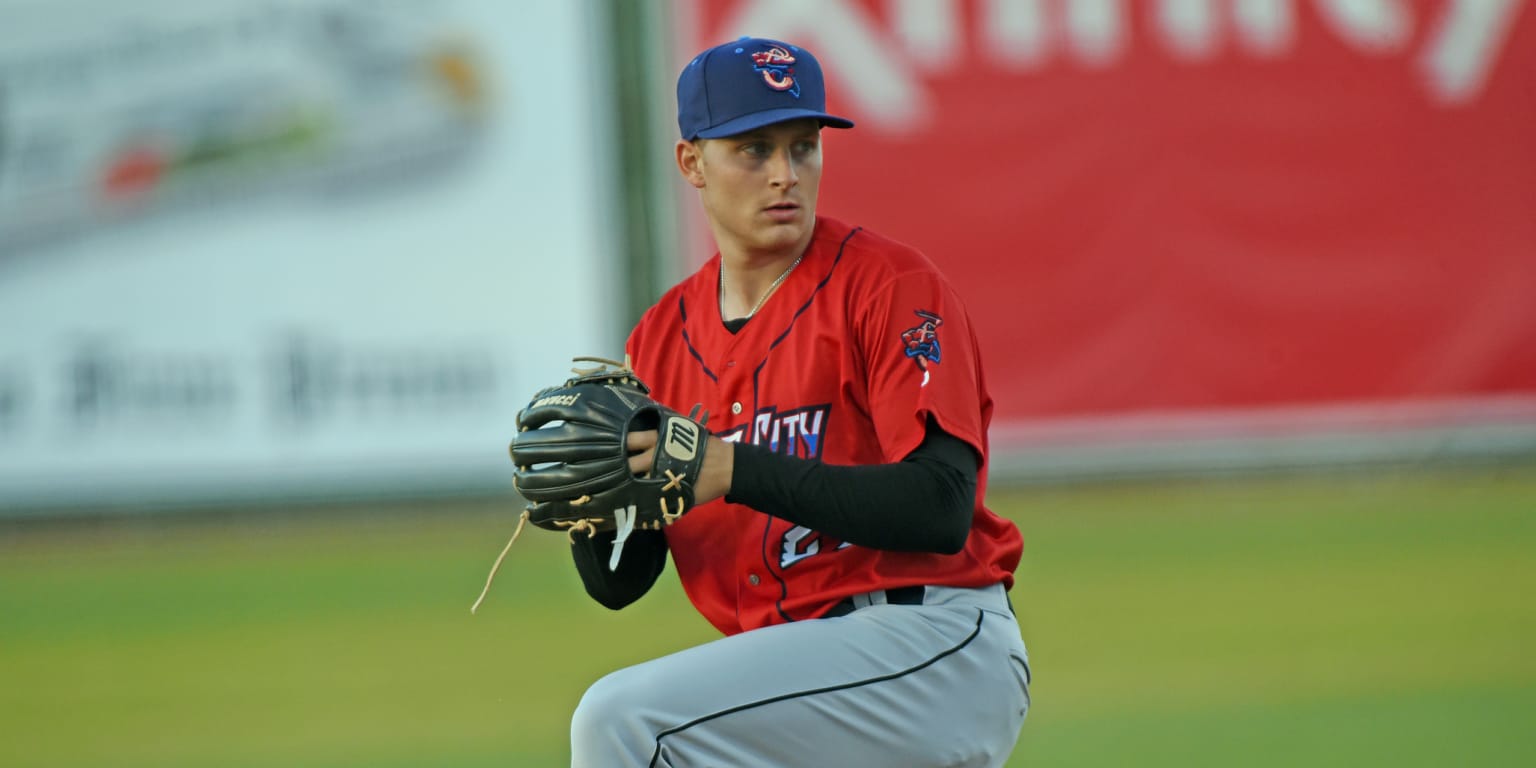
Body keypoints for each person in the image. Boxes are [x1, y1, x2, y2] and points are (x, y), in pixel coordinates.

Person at [566, 36, 1029, 767]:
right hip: (794, 683)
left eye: (803, 146)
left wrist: (730, 468)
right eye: (753, 149)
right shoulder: (657, 341)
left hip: (931, 647)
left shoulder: (890, 288)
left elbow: (940, 509)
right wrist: (591, 506)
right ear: (692, 163)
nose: (785, 174)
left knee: (625, 722)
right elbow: (621, 585)